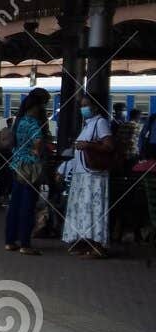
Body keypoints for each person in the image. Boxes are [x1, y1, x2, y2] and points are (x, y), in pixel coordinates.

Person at [64, 96, 112, 257]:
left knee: (94, 209)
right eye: (81, 106)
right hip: (83, 175)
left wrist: (87, 145)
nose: (83, 109)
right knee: (84, 209)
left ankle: (98, 246)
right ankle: (85, 243)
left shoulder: (101, 123)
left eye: (86, 106)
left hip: (94, 177)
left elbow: (109, 146)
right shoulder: (88, 124)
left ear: (95, 107)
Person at [4, 88, 50, 255]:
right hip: (31, 168)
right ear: (38, 106)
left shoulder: (20, 121)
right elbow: (38, 143)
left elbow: (12, 143)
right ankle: (25, 243)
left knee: (15, 204)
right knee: (28, 205)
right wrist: (38, 151)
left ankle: (10, 241)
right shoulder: (33, 123)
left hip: (17, 165)